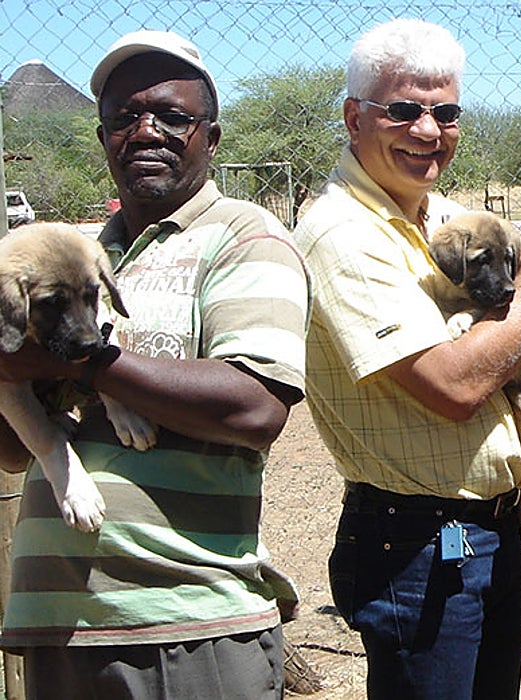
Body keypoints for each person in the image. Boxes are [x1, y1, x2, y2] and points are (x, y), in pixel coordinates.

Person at [0, 30, 310, 699]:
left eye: (172, 116)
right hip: (60, 619)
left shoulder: (246, 235)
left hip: (187, 618)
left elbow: (254, 407)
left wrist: (83, 365)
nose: (145, 131)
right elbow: (10, 450)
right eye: (124, 117)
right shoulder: (76, 254)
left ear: (211, 137)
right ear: (103, 138)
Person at [292, 18, 521, 700]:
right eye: (403, 110)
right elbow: (456, 385)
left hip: (490, 529)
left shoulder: (438, 214)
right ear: (355, 118)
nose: (428, 130)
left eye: (446, 112)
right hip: (416, 543)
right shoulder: (343, 234)